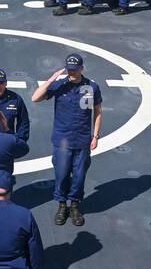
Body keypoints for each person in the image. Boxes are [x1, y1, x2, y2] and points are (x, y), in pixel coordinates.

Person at [31, 53, 102, 227]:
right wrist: (51, 80)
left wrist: (95, 136)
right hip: (62, 140)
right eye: (69, 70)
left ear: (81, 69)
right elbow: (35, 98)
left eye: (75, 70)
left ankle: (75, 205)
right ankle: (62, 205)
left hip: (82, 140)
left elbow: (98, 111)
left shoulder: (92, 87)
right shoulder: (59, 85)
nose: (71, 73)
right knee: (61, 174)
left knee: (79, 176)